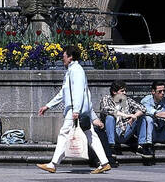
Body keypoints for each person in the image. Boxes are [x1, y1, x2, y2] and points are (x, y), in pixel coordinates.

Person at [37, 44, 110, 174]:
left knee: (64, 134)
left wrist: (76, 110)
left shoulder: (76, 70)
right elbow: (64, 93)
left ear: (70, 57)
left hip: (75, 110)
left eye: (64, 56)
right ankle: (104, 162)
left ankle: (53, 164)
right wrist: (48, 106)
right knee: (91, 136)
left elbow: (78, 92)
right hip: (79, 109)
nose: (62, 59)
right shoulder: (72, 70)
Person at [95, 81, 143, 166]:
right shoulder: (107, 99)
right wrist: (127, 115)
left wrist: (134, 116)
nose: (125, 93)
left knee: (142, 117)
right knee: (110, 117)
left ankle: (142, 146)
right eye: (122, 91)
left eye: (125, 91)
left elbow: (142, 108)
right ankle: (111, 146)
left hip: (125, 131)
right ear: (114, 92)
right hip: (111, 132)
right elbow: (107, 109)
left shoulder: (125, 100)